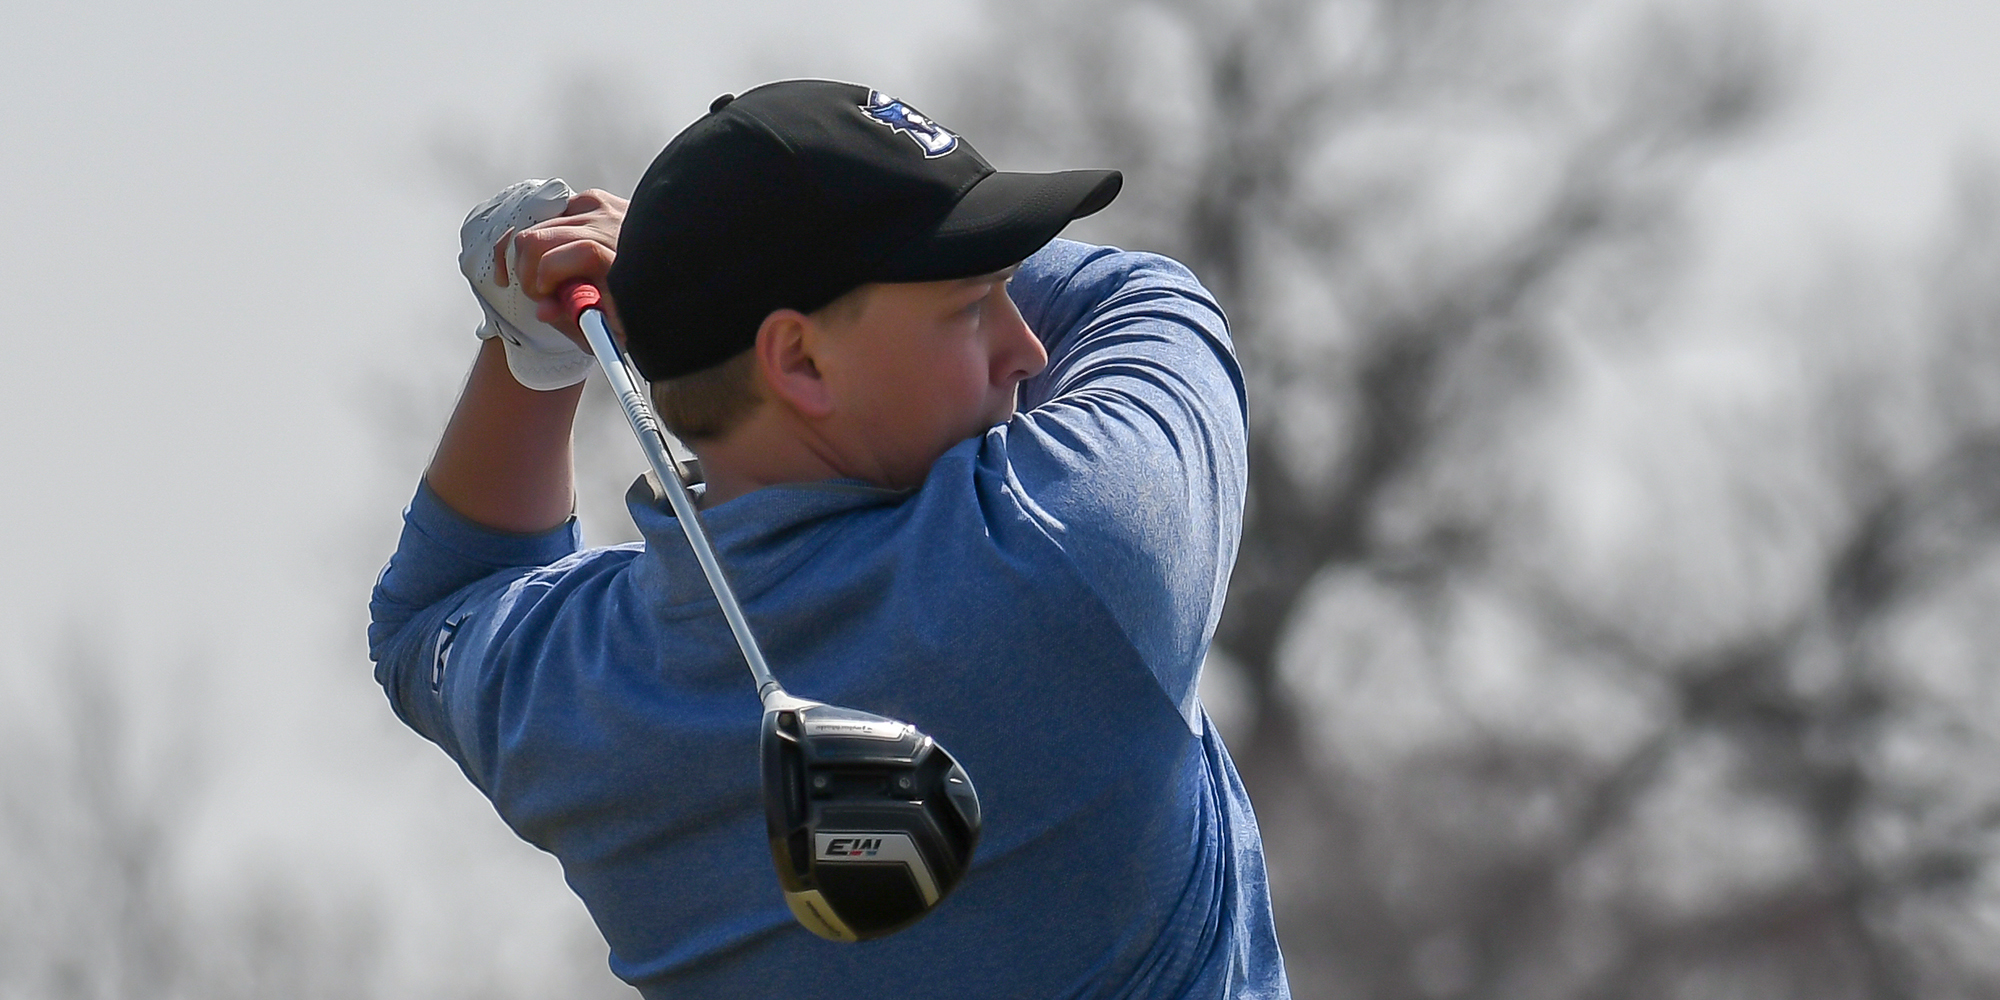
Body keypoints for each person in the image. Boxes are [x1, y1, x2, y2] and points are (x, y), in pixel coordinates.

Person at [369, 79, 1290, 999]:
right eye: (972, 304)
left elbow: (434, 609)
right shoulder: (1072, 548)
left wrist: (546, 341)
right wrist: (663, 265)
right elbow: (1146, 299)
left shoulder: (582, 700)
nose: (1026, 349)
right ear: (801, 361)